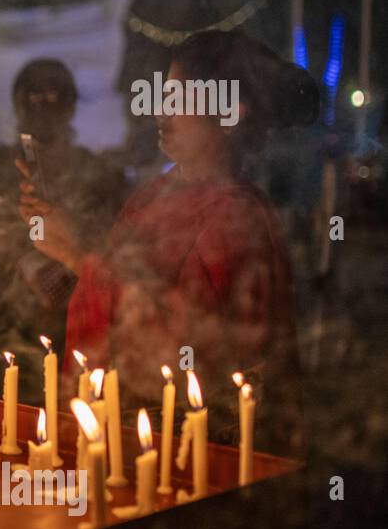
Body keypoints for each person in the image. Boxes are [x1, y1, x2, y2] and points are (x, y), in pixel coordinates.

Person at [20, 30, 305, 449]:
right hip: (124, 429)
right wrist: (58, 243)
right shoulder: (156, 195)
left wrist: (76, 254)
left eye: (180, 100)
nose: (160, 111)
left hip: (186, 447)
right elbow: (123, 279)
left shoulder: (237, 217)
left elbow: (184, 344)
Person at [0, 59, 127, 390]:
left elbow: (119, 249)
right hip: (7, 331)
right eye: (33, 96)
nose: (43, 105)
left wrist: (70, 258)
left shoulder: (102, 176)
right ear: (18, 104)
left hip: (79, 327)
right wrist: (23, 260)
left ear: (71, 105)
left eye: (54, 96)